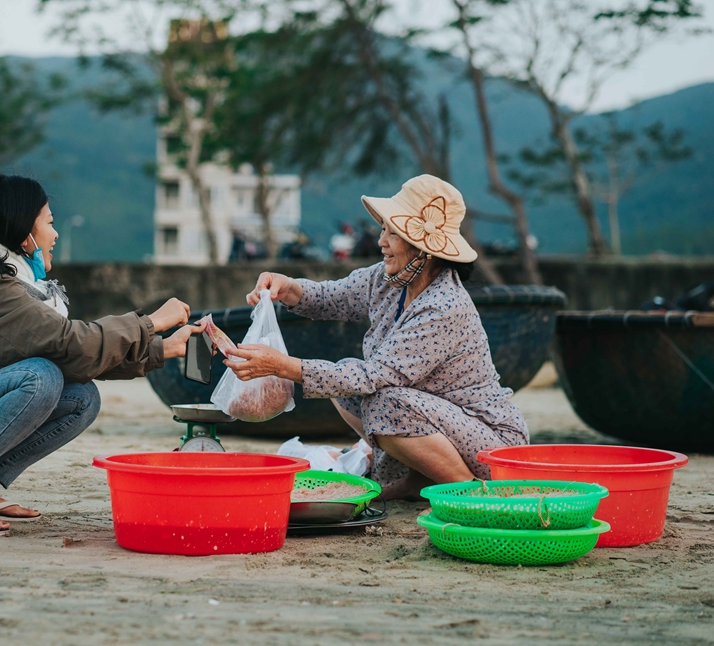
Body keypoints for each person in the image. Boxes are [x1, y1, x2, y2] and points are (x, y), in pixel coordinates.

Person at [0, 174, 201, 537]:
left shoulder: (3, 279)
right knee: (39, 377)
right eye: (50, 223)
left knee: (80, 397)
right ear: (25, 233)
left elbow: (72, 355)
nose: (54, 234)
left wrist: (161, 348)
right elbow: (70, 342)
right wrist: (150, 322)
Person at [224, 175, 529, 500]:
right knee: (346, 382)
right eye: (384, 229)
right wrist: (288, 287)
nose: (382, 241)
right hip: (437, 421)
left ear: (423, 249)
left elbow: (375, 376)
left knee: (384, 400)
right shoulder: (388, 279)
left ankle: (469, 494)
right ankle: (418, 480)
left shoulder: (443, 305)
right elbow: (332, 297)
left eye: (393, 233)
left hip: (491, 443)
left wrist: (283, 367)